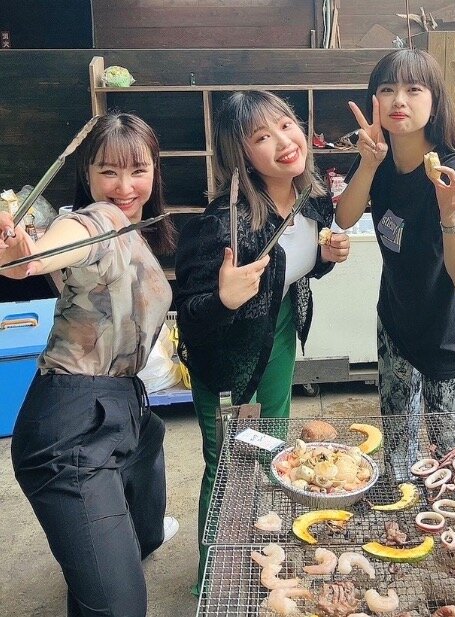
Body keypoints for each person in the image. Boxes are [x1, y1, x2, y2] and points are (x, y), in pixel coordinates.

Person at [1, 112, 178, 617]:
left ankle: (128, 541)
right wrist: (27, 257)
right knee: (120, 607)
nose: (124, 187)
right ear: (88, 173)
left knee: (152, 444)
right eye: (108, 171)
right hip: (69, 429)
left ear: (154, 171)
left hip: (125, 407)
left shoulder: (139, 231)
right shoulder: (96, 219)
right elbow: (50, 250)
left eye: (138, 170)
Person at [174, 90, 350, 592]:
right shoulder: (222, 225)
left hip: (278, 336)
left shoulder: (312, 198)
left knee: (270, 447)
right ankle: (214, 580)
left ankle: (257, 549)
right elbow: (190, 319)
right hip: (226, 356)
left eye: (286, 125)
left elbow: (291, 272)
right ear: (242, 155)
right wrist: (222, 300)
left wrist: (325, 259)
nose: (283, 141)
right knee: (228, 464)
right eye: (261, 136)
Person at [335, 48, 455, 481]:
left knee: (452, 463)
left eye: (413, 89)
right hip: (394, 323)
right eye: (387, 89)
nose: (398, 100)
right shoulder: (377, 159)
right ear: (374, 101)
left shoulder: (453, 171)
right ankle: (401, 506)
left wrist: (449, 216)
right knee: (398, 455)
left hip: (445, 334)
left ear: (434, 102)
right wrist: (369, 163)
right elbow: (344, 217)